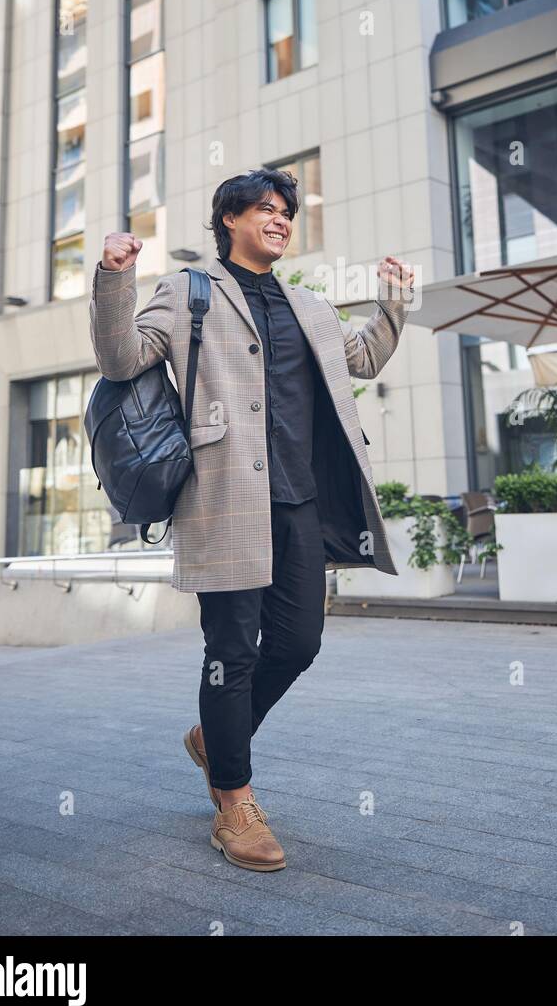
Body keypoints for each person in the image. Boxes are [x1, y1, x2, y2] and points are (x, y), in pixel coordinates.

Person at [89, 168, 414, 871]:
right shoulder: (189, 290)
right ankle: (233, 799)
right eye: (265, 209)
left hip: (300, 501)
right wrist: (114, 277)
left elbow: (362, 359)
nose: (280, 220)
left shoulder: (311, 305)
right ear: (229, 219)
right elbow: (121, 359)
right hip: (224, 495)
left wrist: (394, 302)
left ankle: (214, 737)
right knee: (231, 652)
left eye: (286, 212)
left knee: (299, 643)